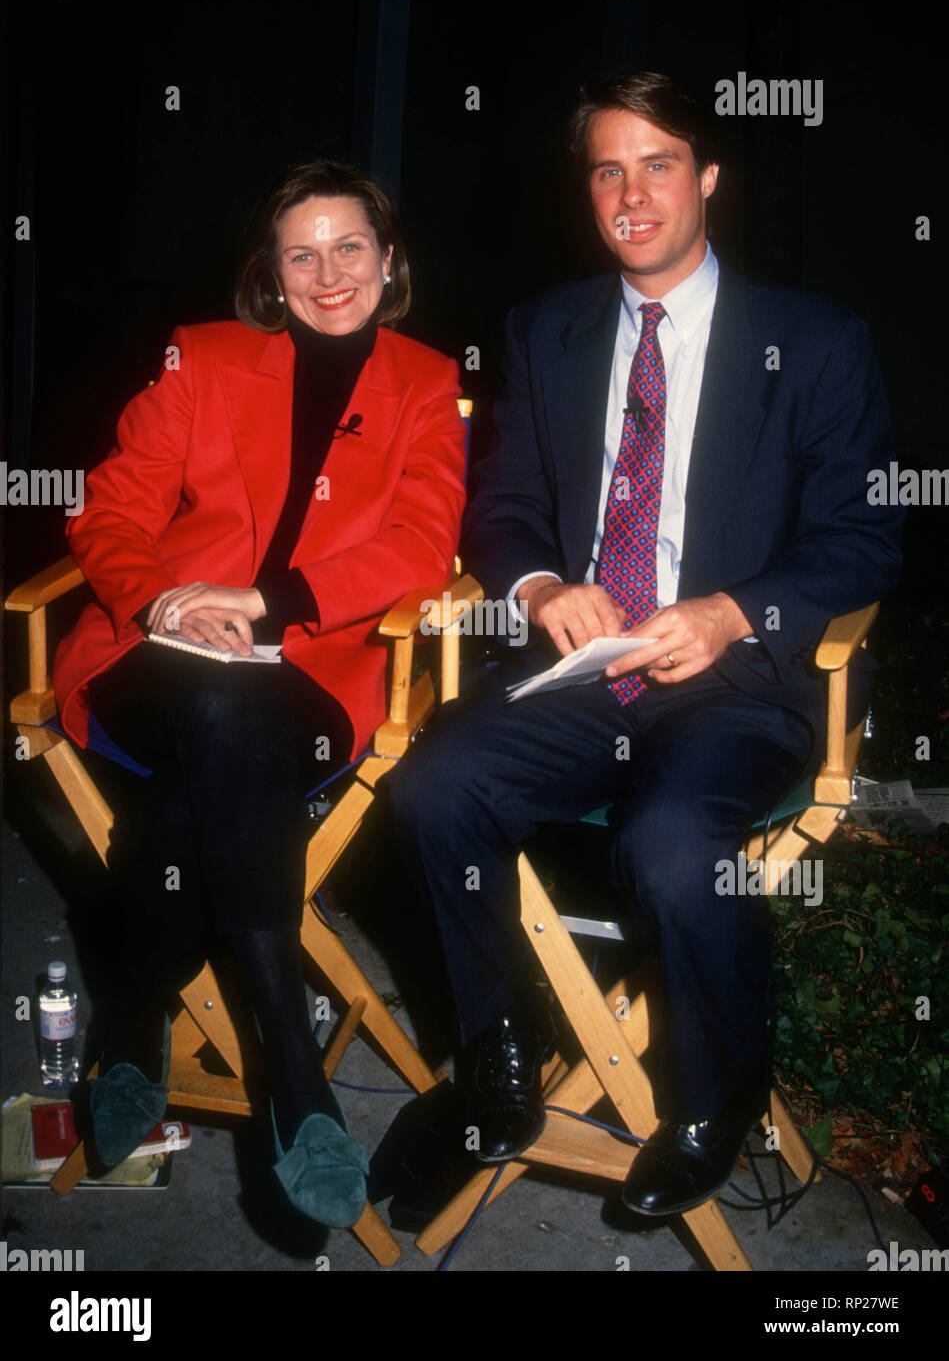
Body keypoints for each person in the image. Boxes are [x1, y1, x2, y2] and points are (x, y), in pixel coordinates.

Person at [387, 72, 904, 1216]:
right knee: (431, 789)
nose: (631, 192)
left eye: (658, 163)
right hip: (584, 671)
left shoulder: (812, 341)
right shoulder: (545, 330)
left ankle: (717, 1099)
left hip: (736, 681)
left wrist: (731, 611)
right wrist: (535, 585)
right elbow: (502, 506)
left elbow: (867, 536)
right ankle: (496, 1070)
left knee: (672, 842)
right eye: (607, 169)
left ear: (708, 176)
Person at [52, 160, 467, 1228]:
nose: (329, 273)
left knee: (211, 764)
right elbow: (108, 515)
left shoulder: (426, 383)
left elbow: (424, 546)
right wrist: (166, 605)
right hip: (158, 653)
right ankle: (293, 1066)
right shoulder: (205, 357)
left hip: (314, 668)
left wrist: (274, 602)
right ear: (270, 276)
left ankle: (134, 1026)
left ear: (389, 260)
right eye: (301, 253)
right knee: (219, 719)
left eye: (350, 247)